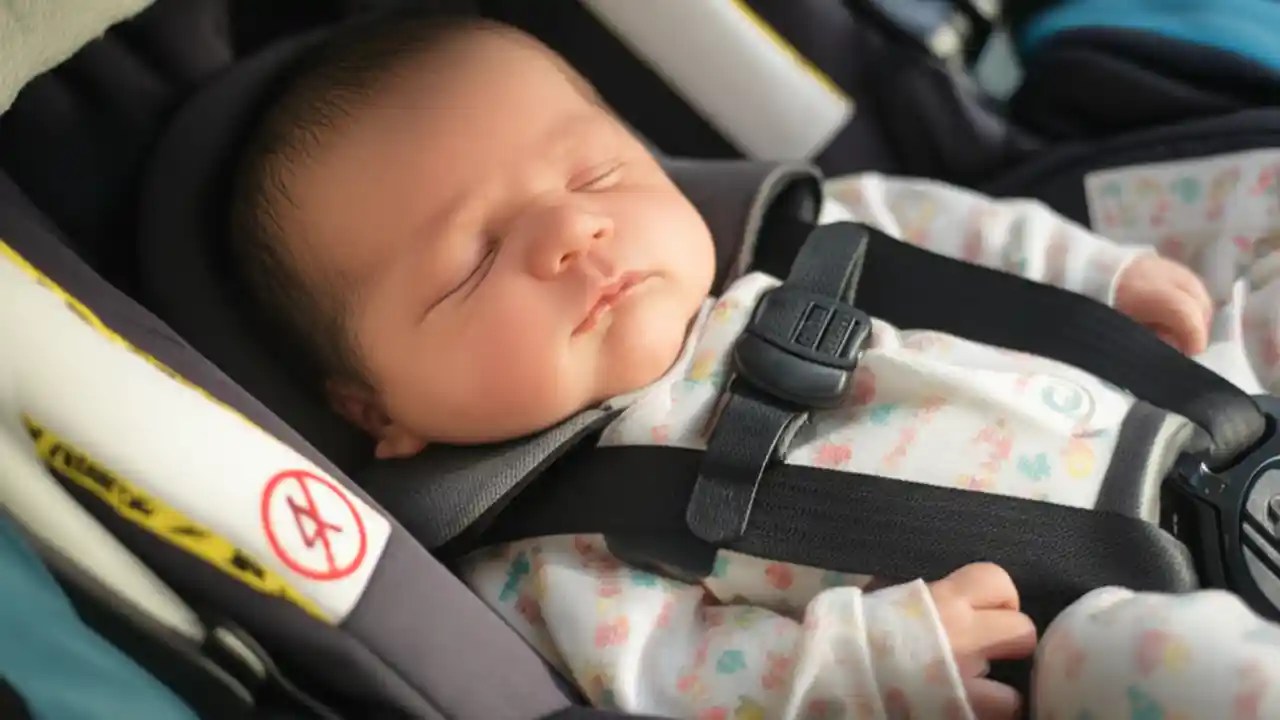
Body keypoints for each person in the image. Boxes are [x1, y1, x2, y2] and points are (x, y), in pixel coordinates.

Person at [226, 14, 1280, 720]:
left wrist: (1100, 272)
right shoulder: (549, 558)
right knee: (1163, 674)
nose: (571, 232)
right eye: (472, 263)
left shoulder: (816, 247)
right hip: (1077, 615)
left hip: (1201, 397)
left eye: (596, 174)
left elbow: (964, 237)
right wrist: (874, 663)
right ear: (379, 411)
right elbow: (673, 677)